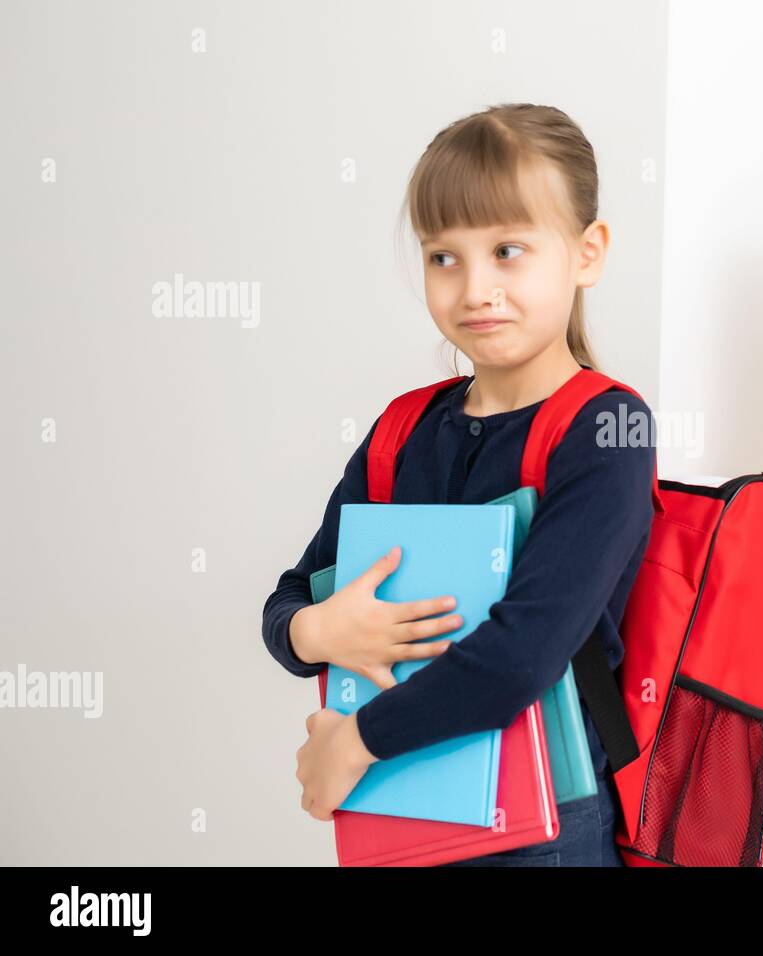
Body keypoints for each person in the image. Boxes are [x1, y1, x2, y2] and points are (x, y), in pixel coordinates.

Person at [261, 103, 657, 866]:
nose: (475, 288)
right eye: (444, 257)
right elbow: (288, 603)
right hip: (397, 810)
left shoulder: (609, 430)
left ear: (587, 252)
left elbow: (522, 655)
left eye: (508, 250)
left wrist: (356, 744)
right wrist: (319, 631)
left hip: (542, 829)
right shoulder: (403, 429)